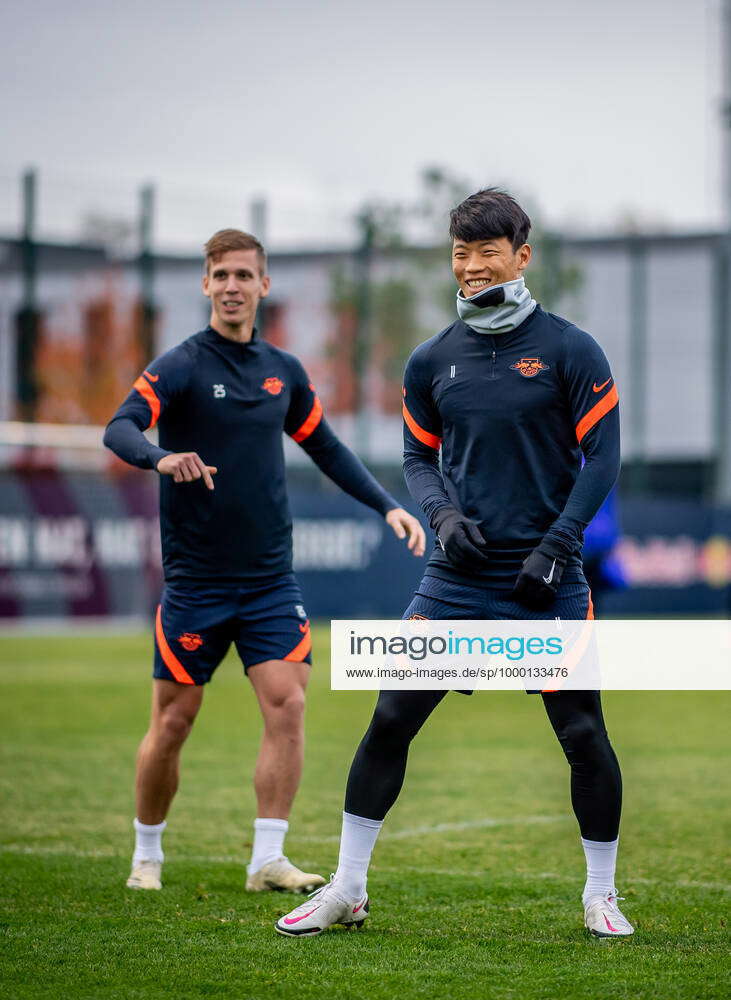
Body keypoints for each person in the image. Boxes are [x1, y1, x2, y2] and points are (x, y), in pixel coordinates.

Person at [276, 189, 633, 938]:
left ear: (521, 255)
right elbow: (416, 453)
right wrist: (439, 515)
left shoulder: (571, 349)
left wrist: (554, 547)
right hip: (456, 579)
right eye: (460, 253)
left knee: (580, 735)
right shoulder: (432, 358)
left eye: (486, 251)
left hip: (549, 578)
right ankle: (346, 888)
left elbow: (602, 459)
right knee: (390, 720)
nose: (471, 267)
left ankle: (600, 894)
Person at [104, 229, 425, 894]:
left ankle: (266, 861)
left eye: (243, 275)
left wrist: (386, 505)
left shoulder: (283, 370)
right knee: (173, 720)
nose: (231, 286)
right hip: (196, 580)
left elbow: (327, 448)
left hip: (269, 581)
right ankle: (146, 853)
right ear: (204, 285)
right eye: (220, 274)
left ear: (262, 286)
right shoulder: (181, 365)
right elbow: (120, 427)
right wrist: (160, 457)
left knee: (287, 706)